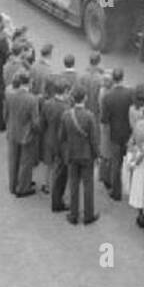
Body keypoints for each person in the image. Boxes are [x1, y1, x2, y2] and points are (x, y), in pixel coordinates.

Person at [59, 89, 99, 225]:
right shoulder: (90, 116)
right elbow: (93, 139)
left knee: (73, 184)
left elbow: (61, 137)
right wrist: (96, 154)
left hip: (71, 153)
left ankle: (73, 214)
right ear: (85, 98)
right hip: (86, 154)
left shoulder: (66, 115)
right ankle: (88, 215)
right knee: (88, 185)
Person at [100, 69, 134, 200]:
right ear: (123, 78)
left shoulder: (107, 97)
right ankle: (132, 190)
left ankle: (116, 192)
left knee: (116, 164)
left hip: (114, 134)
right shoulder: (130, 93)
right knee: (131, 161)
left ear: (113, 79)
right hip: (128, 133)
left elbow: (104, 119)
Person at [4, 75, 40, 197]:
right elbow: (35, 122)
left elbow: (6, 113)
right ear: (29, 83)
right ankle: (23, 188)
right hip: (26, 133)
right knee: (25, 162)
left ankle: (13, 185)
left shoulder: (9, 94)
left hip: (12, 131)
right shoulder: (32, 99)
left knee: (13, 160)